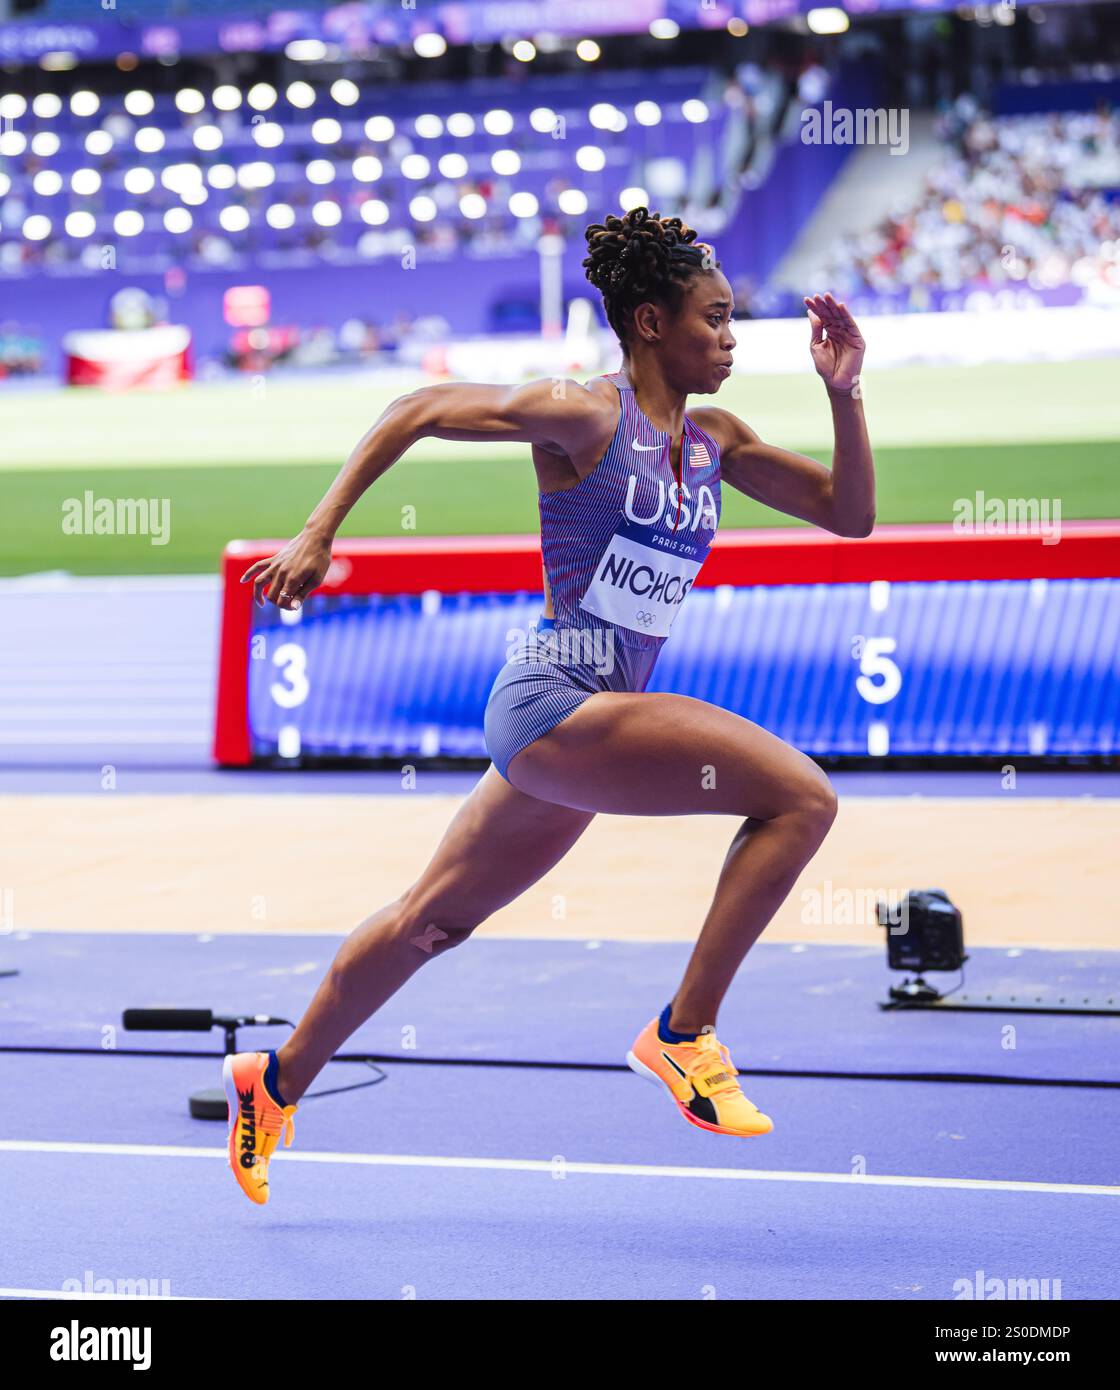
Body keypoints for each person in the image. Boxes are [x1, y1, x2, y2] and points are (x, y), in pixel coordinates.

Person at [224, 207, 873, 1205]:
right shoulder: (586, 414)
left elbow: (849, 515)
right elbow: (420, 405)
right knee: (801, 798)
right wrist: (317, 535)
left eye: (734, 318)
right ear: (650, 322)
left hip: (588, 727)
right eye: (715, 318)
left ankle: (272, 1082)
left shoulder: (713, 438)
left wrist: (846, 392)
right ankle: (682, 1034)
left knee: (428, 922)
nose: (733, 337)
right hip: (557, 703)